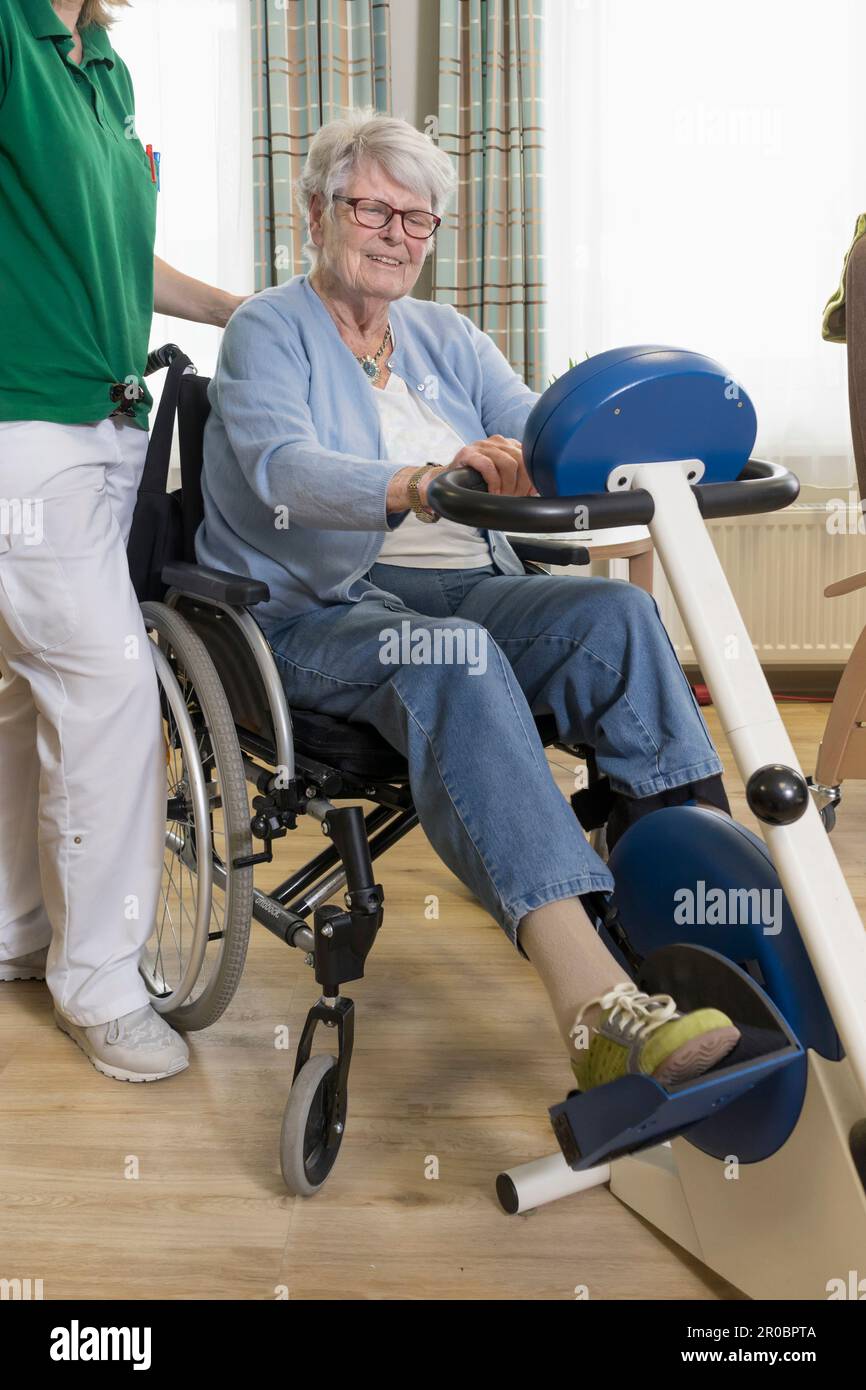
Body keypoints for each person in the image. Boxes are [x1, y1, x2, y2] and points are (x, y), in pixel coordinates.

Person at [197, 107, 741, 1093]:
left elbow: (539, 428)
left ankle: (705, 918)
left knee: (611, 621)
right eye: (373, 210)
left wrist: (615, 444)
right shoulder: (266, 331)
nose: (396, 236)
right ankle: (593, 1007)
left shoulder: (443, 334)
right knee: (454, 656)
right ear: (317, 210)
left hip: (466, 585)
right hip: (305, 607)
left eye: (418, 220)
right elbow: (283, 472)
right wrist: (418, 478)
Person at [0, 0, 248, 1082]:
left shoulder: (101, 67)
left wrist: (250, 309)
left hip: (109, 419)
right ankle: (99, 982)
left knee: (32, 683)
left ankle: (17, 928)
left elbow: (124, 261)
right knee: (103, 680)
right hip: (21, 424)